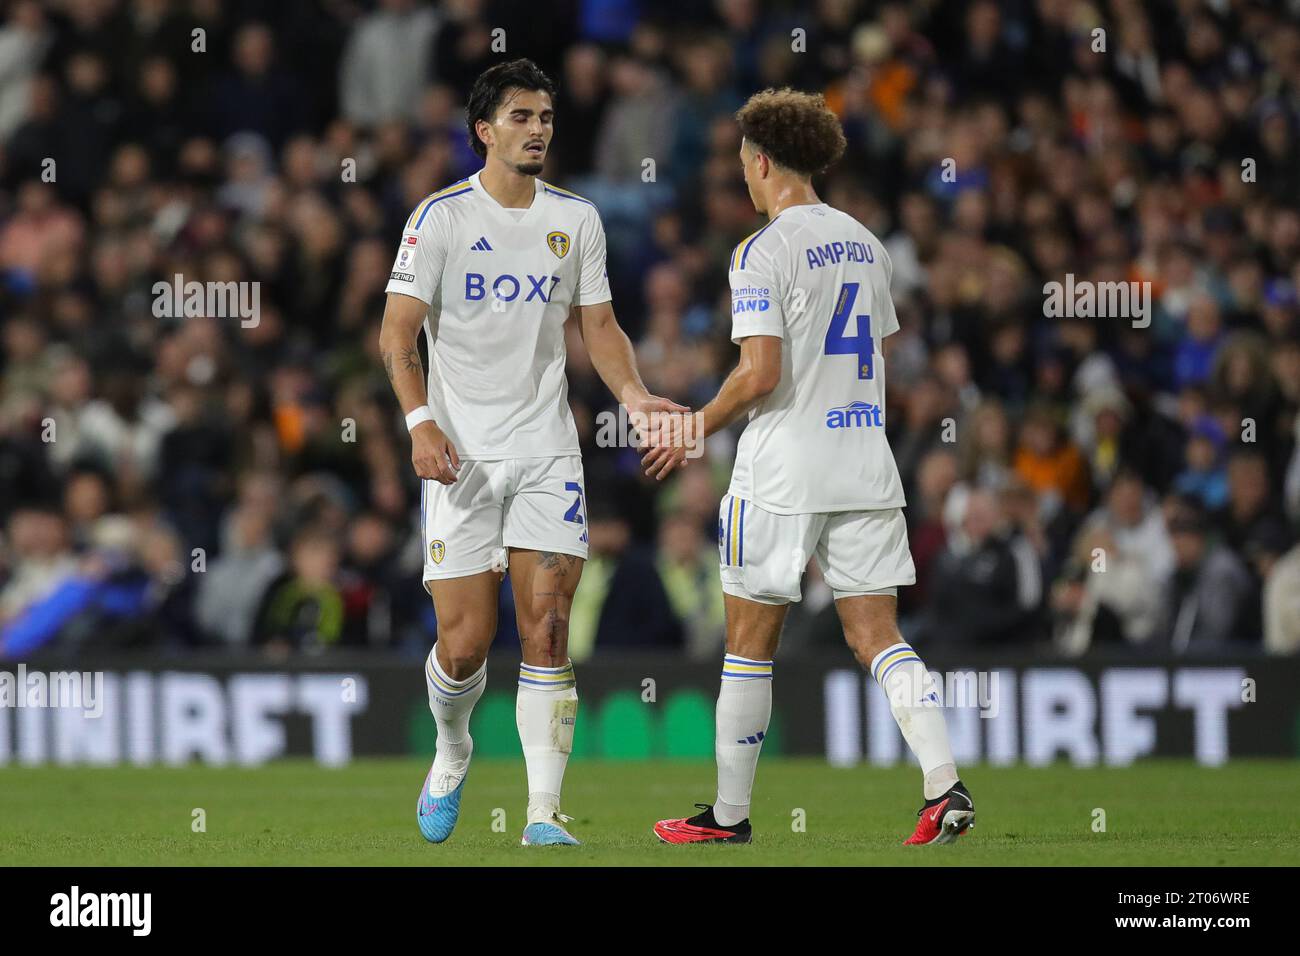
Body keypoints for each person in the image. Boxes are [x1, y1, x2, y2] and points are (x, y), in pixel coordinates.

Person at [645, 89, 973, 846]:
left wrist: (695, 424)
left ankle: (728, 817)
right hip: (864, 460)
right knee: (878, 635)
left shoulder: (762, 250)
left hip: (785, 468)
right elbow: (871, 360)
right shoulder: (870, 244)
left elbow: (760, 372)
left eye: (743, 167)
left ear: (761, 162)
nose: (746, 181)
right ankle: (944, 784)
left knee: (749, 643)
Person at [378, 58, 683, 847]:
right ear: (484, 131)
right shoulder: (440, 218)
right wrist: (419, 423)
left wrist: (637, 398)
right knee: (465, 643)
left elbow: (600, 326)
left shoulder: (576, 219)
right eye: (521, 117)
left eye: (545, 117)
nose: (538, 128)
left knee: (547, 626)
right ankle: (453, 750)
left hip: (547, 449)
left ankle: (544, 814)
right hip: (459, 456)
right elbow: (397, 333)